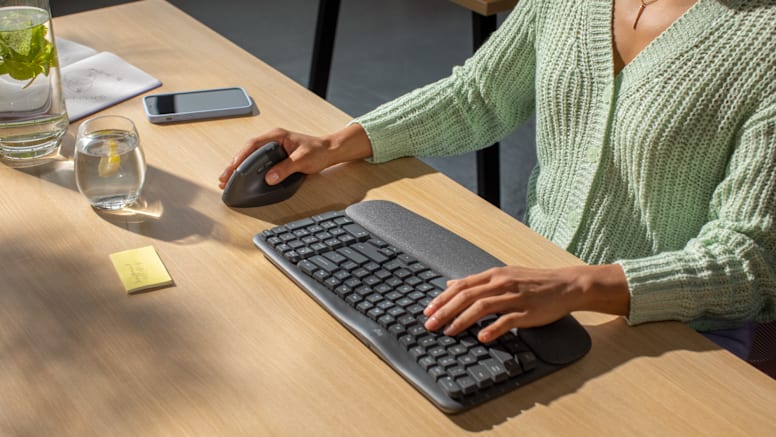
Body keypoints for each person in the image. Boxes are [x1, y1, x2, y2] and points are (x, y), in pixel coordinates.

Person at [220, 0, 775, 357]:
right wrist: (340, 143)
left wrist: (577, 286)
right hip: (527, 281)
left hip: (677, 332)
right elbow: (478, 96)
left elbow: (749, 263)